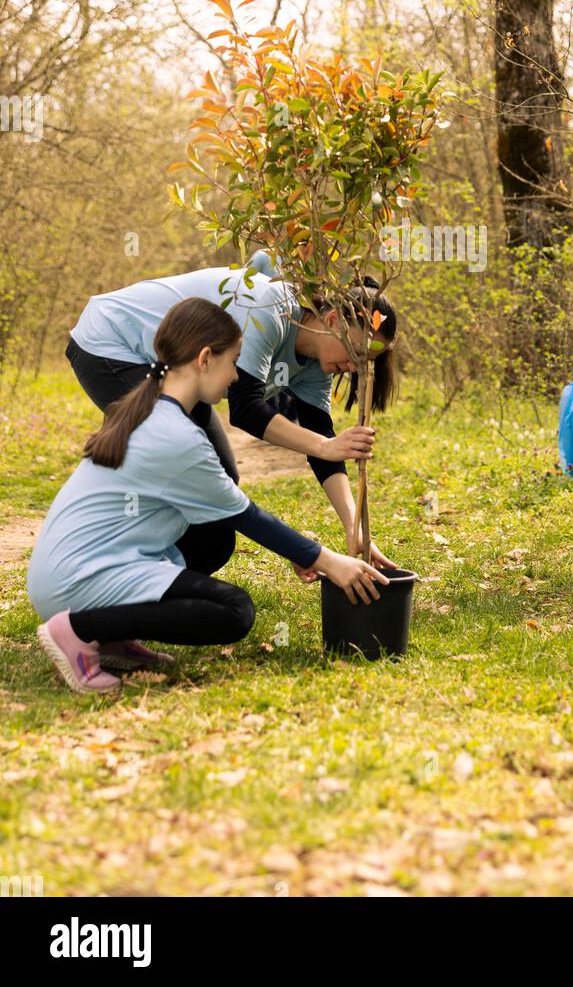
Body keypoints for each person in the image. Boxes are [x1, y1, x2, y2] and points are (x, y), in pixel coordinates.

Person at [28, 298, 389, 695]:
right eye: (233, 361)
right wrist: (328, 561)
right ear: (204, 359)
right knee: (234, 612)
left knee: (213, 537)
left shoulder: (150, 408)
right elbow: (247, 515)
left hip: (72, 571)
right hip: (76, 582)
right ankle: (79, 630)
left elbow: (229, 512)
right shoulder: (177, 436)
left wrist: (302, 554)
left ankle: (112, 638)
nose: (236, 376)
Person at [65, 263, 397, 569]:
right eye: (356, 351)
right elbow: (246, 409)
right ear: (335, 322)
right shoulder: (272, 308)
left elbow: (322, 442)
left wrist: (354, 527)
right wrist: (325, 448)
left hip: (177, 371)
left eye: (364, 361)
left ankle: (161, 581)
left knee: (220, 480)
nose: (354, 367)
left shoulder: (315, 366)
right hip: (115, 341)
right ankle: (106, 566)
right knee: (180, 465)